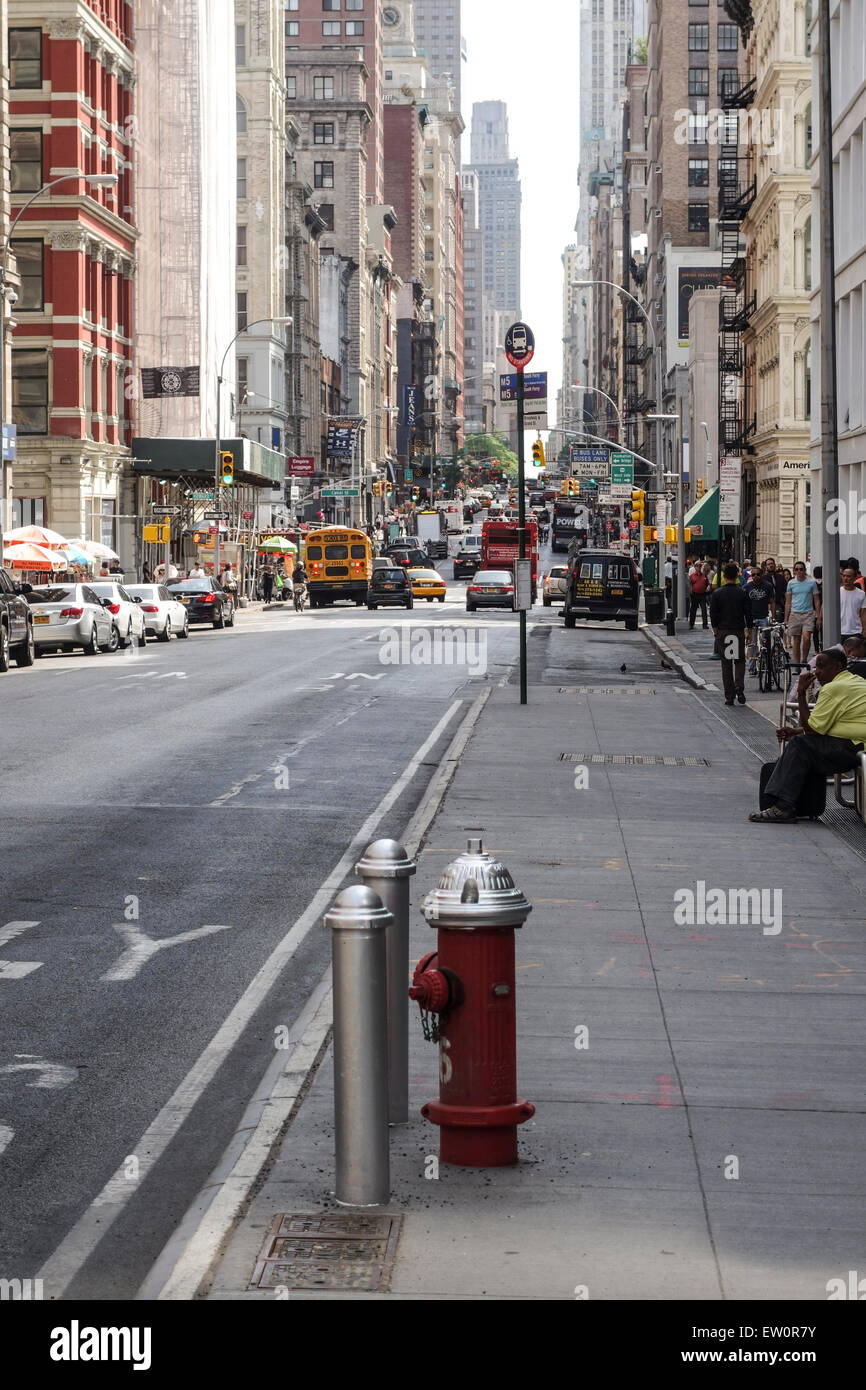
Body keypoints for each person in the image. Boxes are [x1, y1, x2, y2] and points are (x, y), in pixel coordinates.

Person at [749, 648, 866, 822]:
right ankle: (795, 805)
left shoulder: (834, 688)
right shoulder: (857, 681)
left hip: (852, 748)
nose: (816, 672)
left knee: (800, 745)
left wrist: (801, 693)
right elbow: (832, 723)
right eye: (816, 667)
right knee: (801, 745)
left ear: (838, 666)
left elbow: (813, 730)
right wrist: (798, 730)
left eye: (822, 666)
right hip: (857, 744)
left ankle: (783, 807)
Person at [710, 562, 751, 705]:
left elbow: (713, 613)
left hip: (723, 631)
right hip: (738, 630)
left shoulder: (717, 594)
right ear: (737, 576)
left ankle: (729, 695)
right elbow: (748, 613)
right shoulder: (742, 593)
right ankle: (739, 686)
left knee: (726, 664)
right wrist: (750, 630)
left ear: (724, 576)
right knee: (739, 661)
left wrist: (715, 629)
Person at [784, 560, 821, 666]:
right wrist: (786, 618)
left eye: (801, 569)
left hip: (808, 614)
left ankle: (804, 660)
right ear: (794, 571)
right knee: (796, 640)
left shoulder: (811, 583)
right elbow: (788, 602)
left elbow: (817, 600)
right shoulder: (791, 583)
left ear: (805, 570)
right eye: (796, 569)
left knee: (806, 637)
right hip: (795, 613)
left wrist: (819, 616)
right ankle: (797, 664)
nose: (799, 571)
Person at [744, 564, 777, 674]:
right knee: (752, 643)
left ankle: (766, 663)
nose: (756, 576)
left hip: (763, 617)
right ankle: (752, 667)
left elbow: (772, 602)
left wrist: (773, 617)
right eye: (753, 575)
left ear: (761, 575)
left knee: (766, 642)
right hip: (751, 619)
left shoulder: (768, 586)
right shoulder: (746, 587)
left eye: (758, 574)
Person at [840, 565, 866, 643]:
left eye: (848, 576)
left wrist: (864, 629)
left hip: (856, 631)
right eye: (844, 576)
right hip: (839, 631)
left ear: (854, 578)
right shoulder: (837, 592)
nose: (845, 578)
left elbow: (863, 613)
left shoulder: (861, 594)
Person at [688, 559, 711, 630]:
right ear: (695, 567)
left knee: (704, 610)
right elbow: (690, 584)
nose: (698, 567)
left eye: (700, 566)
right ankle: (691, 624)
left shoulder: (704, 575)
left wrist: (708, 587)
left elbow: (708, 583)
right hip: (695, 594)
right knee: (693, 610)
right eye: (697, 566)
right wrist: (690, 591)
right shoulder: (692, 576)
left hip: (702, 594)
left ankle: (705, 624)